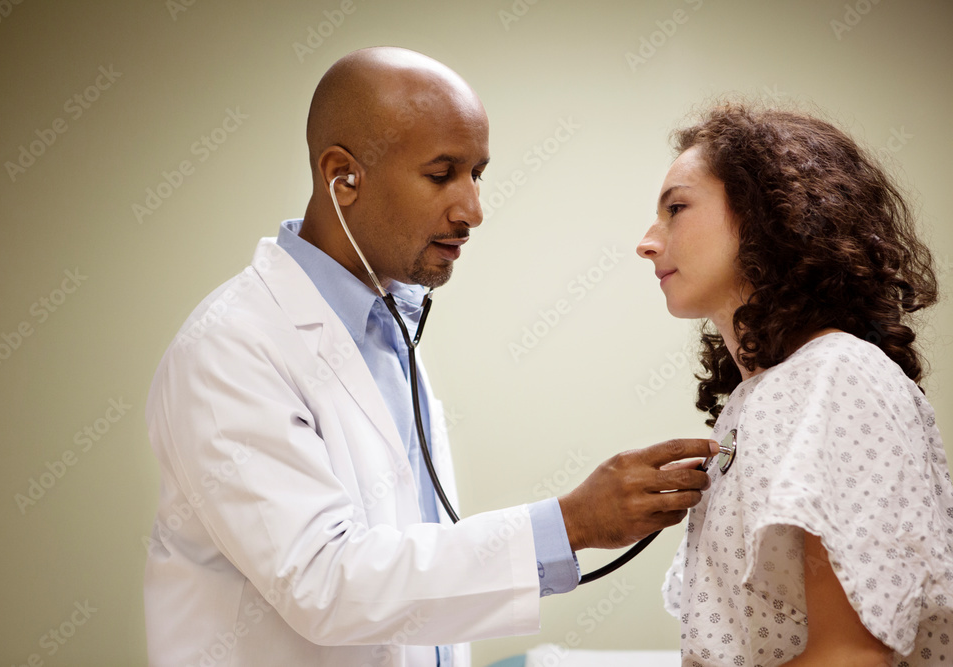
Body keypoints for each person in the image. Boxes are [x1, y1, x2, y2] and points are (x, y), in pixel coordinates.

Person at [143, 47, 716, 667]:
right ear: (343, 177)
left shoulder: (383, 325)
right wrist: (570, 523)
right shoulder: (231, 348)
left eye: (478, 174)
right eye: (442, 175)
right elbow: (325, 584)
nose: (471, 210)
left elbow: (407, 567)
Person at [637, 102, 953, 666]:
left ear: (769, 216)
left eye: (677, 209)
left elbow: (851, 658)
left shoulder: (840, 376)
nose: (647, 242)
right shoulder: (758, 397)